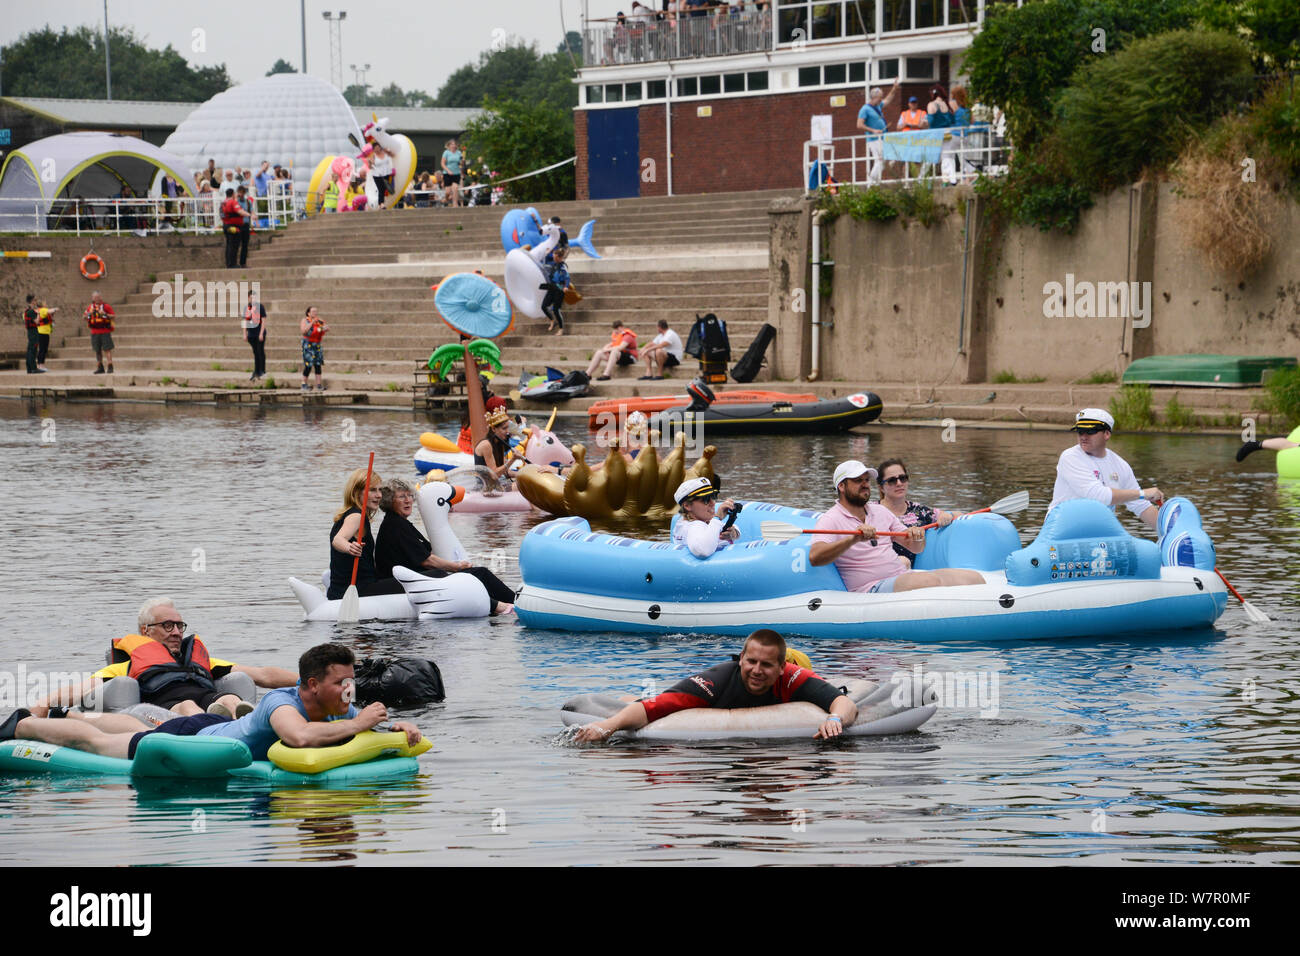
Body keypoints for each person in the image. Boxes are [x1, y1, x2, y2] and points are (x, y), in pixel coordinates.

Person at [2, 643, 422, 764]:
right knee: (96, 742)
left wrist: (394, 729)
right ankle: (21, 725)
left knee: (135, 727)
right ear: (312, 684)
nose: (350, 690)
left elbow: (357, 725)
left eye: (351, 681)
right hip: (193, 737)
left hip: (206, 725)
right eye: (341, 682)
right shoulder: (282, 702)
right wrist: (359, 722)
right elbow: (299, 738)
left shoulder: (338, 708)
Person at [27, 597, 297, 720]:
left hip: (208, 700)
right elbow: (80, 690)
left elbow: (263, 675)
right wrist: (41, 707)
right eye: (168, 626)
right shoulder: (128, 665)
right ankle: (215, 730)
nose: (177, 632)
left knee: (230, 698)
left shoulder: (203, 662)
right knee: (188, 705)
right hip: (165, 707)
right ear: (146, 631)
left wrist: (309, 681)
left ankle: (245, 724)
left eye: (180, 626)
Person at [573, 629, 856, 741]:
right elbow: (651, 709)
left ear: (781, 667)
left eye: (766, 665)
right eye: (751, 662)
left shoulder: (793, 678)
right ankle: (622, 700)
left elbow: (843, 703)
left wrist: (834, 718)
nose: (757, 671)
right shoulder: (715, 680)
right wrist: (606, 726)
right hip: (714, 714)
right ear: (741, 659)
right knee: (657, 701)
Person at [809, 460, 985, 593]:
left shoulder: (880, 511)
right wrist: (853, 538)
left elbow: (916, 549)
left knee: (973, 578)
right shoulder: (830, 519)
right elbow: (815, 557)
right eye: (857, 480)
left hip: (899, 576)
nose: (864, 484)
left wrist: (917, 536)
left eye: (866, 480)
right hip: (870, 587)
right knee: (927, 581)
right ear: (841, 486)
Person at [374, 478, 516, 614]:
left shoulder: (399, 523)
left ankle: (506, 603)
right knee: (477, 574)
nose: (408, 500)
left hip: (417, 575)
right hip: (404, 582)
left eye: (410, 496)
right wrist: (457, 567)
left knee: (472, 573)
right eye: (401, 497)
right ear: (389, 501)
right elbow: (427, 560)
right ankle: (514, 602)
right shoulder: (396, 525)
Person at [1048, 408, 1162, 529]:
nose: (1083, 436)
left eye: (1090, 431)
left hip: (1097, 530)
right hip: (1061, 528)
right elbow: (1097, 496)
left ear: (1107, 434)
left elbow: (1141, 505)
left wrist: (1169, 531)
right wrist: (1143, 493)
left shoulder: (1120, 465)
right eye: (1080, 431)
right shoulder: (1070, 457)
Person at [329, 468, 405, 600]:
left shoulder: (349, 515)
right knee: (435, 575)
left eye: (380, 489)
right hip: (357, 591)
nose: (379, 495)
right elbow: (338, 540)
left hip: (340, 591)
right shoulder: (356, 517)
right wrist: (349, 547)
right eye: (372, 490)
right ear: (357, 492)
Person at [874, 458, 956, 564]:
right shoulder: (870, 511)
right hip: (882, 569)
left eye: (903, 478)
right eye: (892, 480)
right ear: (881, 487)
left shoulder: (919, 510)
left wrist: (947, 514)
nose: (899, 483)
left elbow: (958, 514)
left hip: (915, 570)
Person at [671, 476, 739, 557]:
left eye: (713, 497)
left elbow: (731, 527)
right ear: (687, 506)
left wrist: (734, 532)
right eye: (706, 500)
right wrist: (717, 518)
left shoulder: (687, 522)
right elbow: (702, 551)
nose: (713, 503)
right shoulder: (694, 526)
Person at [857, 78, 899, 185]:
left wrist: (894, 89)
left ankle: (873, 182)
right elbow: (859, 125)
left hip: (882, 138)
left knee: (882, 161)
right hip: (873, 139)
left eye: (881, 98)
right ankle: (871, 183)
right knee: (880, 161)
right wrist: (873, 130)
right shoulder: (865, 109)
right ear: (873, 97)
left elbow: (888, 99)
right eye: (879, 98)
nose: (881, 100)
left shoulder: (878, 106)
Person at [475, 406, 516, 485]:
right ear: (493, 429)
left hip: (497, 483)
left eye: (508, 428)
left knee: (525, 482)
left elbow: (505, 471)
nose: (507, 432)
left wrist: (522, 475)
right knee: (520, 487)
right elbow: (494, 475)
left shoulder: (500, 443)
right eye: (504, 428)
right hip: (485, 487)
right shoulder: (486, 445)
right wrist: (513, 459)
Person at [83, 291, 116, 375]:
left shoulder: (106, 306)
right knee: (97, 350)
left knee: (107, 349)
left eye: (98, 297)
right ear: (92, 298)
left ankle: (110, 366)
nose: (96, 299)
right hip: (94, 331)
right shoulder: (90, 307)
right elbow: (84, 317)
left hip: (104, 330)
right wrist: (88, 314)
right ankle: (100, 367)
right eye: (95, 297)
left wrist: (104, 313)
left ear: (100, 297)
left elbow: (113, 316)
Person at [541, 245, 571, 335]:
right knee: (544, 306)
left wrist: (566, 286)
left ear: (560, 258)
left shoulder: (563, 267)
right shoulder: (552, 264)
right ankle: (552, 320)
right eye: (553, 257)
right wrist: (547, 252)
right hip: (551, 288)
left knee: (556, 309)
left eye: (555, 257)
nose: (554, 259)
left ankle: (561, 329)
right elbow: (547, 258)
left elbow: (567, 278)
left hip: (559, 289)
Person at [300, 306, 328, 392]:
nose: (315, 313)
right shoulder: (305, 320)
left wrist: (323, 328)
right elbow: (304, 331)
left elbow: (323, 329)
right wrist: (312, 322)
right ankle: (304, 384)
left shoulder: (319, 321)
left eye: (316, 311)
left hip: (317, 344)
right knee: (308, 364)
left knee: (318, 364)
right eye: (313, 312)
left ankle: (319, 385)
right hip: (308, 344)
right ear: (308, 313)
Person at [243, 290, 267, 380]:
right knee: (255, 352)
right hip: (251, 334)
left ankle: (262, 370)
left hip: (259, 333)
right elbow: (245, 321)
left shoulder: (260, 307)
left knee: (260, 351)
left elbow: (264, 321)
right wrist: (245, 333)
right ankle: (256, 370)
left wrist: (261, 333)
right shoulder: (246, 308)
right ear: (249, 298)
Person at [220, 187, 247, 268]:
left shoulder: (223, 203)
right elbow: (239, 211)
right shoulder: (232, 202)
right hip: (233, 226)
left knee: (229, 245)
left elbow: (222, 215)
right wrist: (249, 214)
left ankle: (229, 263)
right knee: (234, 245)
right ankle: (232, 264)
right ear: (232, 194)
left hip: (226, 225)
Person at [23, 294, 44, 375]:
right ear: (31, 301)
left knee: (30, 349)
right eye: (35, 300)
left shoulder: (27, 310)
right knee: (33, 350)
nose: (36, 302)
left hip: (31, 331)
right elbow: (37, 321)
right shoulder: (31, 311)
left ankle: (29, 368)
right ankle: (33, 368)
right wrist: (38, 313)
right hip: (33, 332)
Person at [35, 298, 57, 371]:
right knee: (43, 349)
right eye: (45, 303)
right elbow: (50, 311)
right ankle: (41, 365)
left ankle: (40, 365)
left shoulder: (41, 310)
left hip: (43, 332)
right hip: (43, 332)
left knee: (43, 349)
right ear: (42, 304)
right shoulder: (42, 309)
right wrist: (55, 309)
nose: (46, 304)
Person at [441, 139, 464, 208]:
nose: (453, 145)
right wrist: (448, 170)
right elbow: (442, 163)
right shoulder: (446, 152)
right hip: (447, 174)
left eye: (454, 144)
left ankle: (455, 204)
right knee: (448, 192)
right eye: (452, 144)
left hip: (456, 173)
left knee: (455, 188)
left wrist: (462, 162)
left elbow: (460, 163)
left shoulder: (459, 153)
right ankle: (446, 198)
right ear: (449, 145)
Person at [235, 185, 254, 266]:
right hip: (238, 225)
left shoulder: (248, 202)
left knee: (245, 245)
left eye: (242, 193)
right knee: (236, 244)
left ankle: (243, 263)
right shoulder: (236, 202)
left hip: (246, 225)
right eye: (239, 193)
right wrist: (236, 198)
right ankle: (234, 262)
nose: (241, 195)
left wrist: (254, 216)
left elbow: (252, 211)